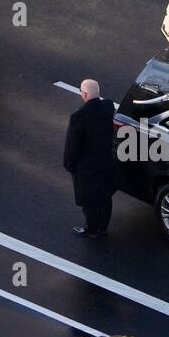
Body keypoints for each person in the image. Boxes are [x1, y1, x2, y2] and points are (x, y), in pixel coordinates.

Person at [63, 79, 119, 237]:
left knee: (89, 200)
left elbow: (72, 145)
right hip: (105, 161)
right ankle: (103, 227)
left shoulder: (78, 117)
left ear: (85, 94)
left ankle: (92, 229)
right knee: (104, 196)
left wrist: (69, 164)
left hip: (87, 167)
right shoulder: (108, 106)